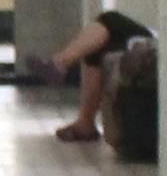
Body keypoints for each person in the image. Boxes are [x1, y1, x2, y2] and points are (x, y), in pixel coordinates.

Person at [50, 9, 155, 153]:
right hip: (153, 38)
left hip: (155, 40)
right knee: (98, 46)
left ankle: (59, 62)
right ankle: (85, 124)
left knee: (110, 19)